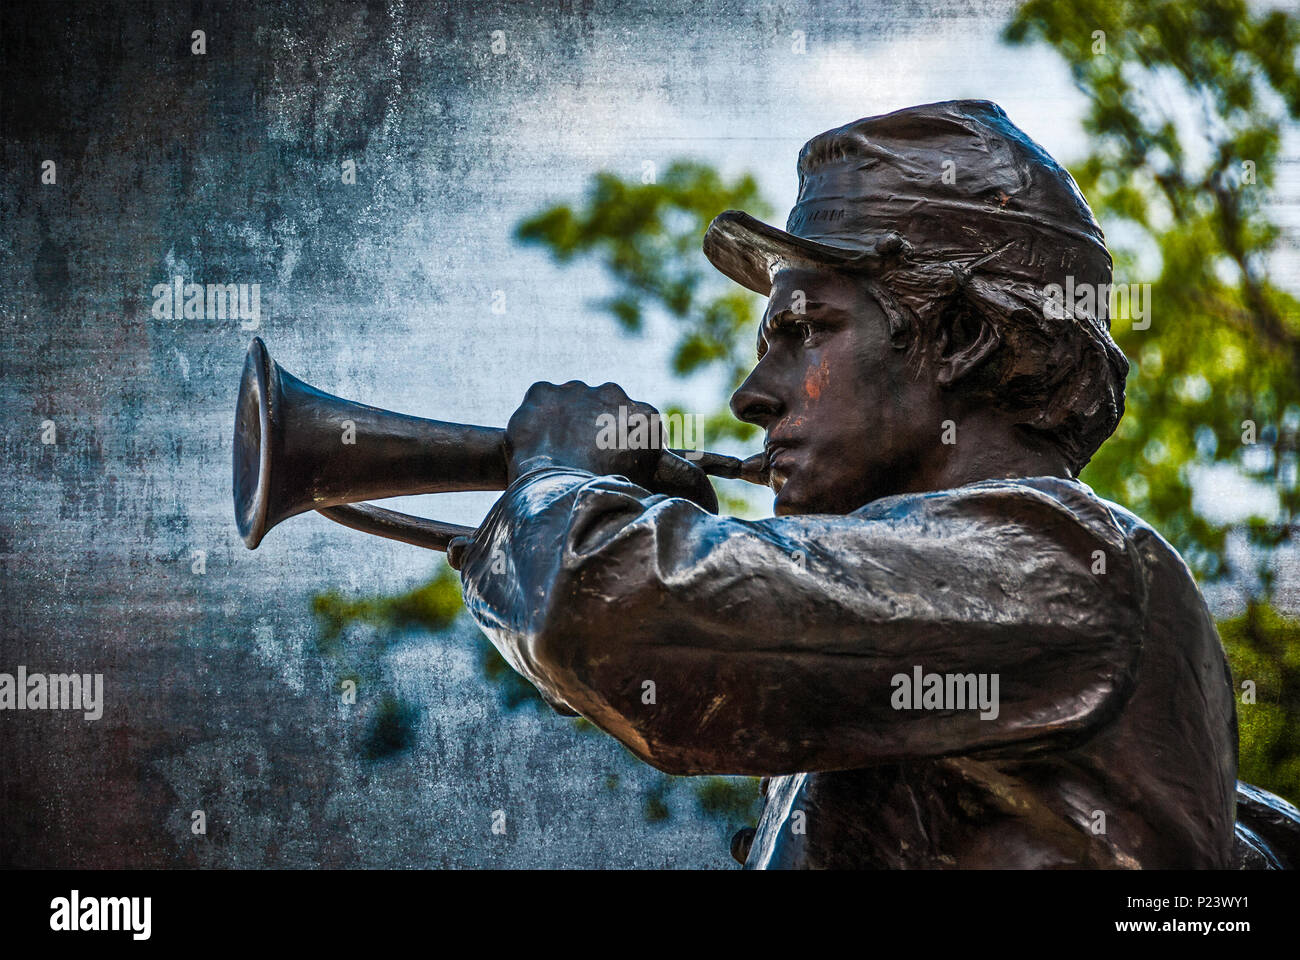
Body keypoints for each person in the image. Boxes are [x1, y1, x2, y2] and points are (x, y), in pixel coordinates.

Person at [453, 100, 1295, 868]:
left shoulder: (1058, 558)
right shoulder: (980, 606)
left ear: (959, 337)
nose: (752, 396)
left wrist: (557, 476)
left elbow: (596, 611)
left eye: (805, 330)